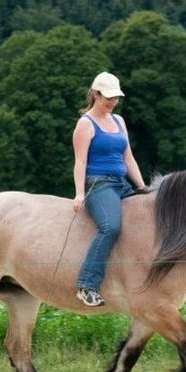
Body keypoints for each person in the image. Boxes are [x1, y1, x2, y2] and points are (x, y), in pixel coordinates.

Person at [72, 71, 147, 307]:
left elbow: (129, 158)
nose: (113, 102)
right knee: (110, 226)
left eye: (116, 98)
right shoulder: (85, 124)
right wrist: (80, 193)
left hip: (121, 183)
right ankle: (87, 285)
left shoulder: (119, 121)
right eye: (109, 98)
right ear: (95, 94)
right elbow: (80, 162)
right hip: (98, 183)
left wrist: (144, 187)